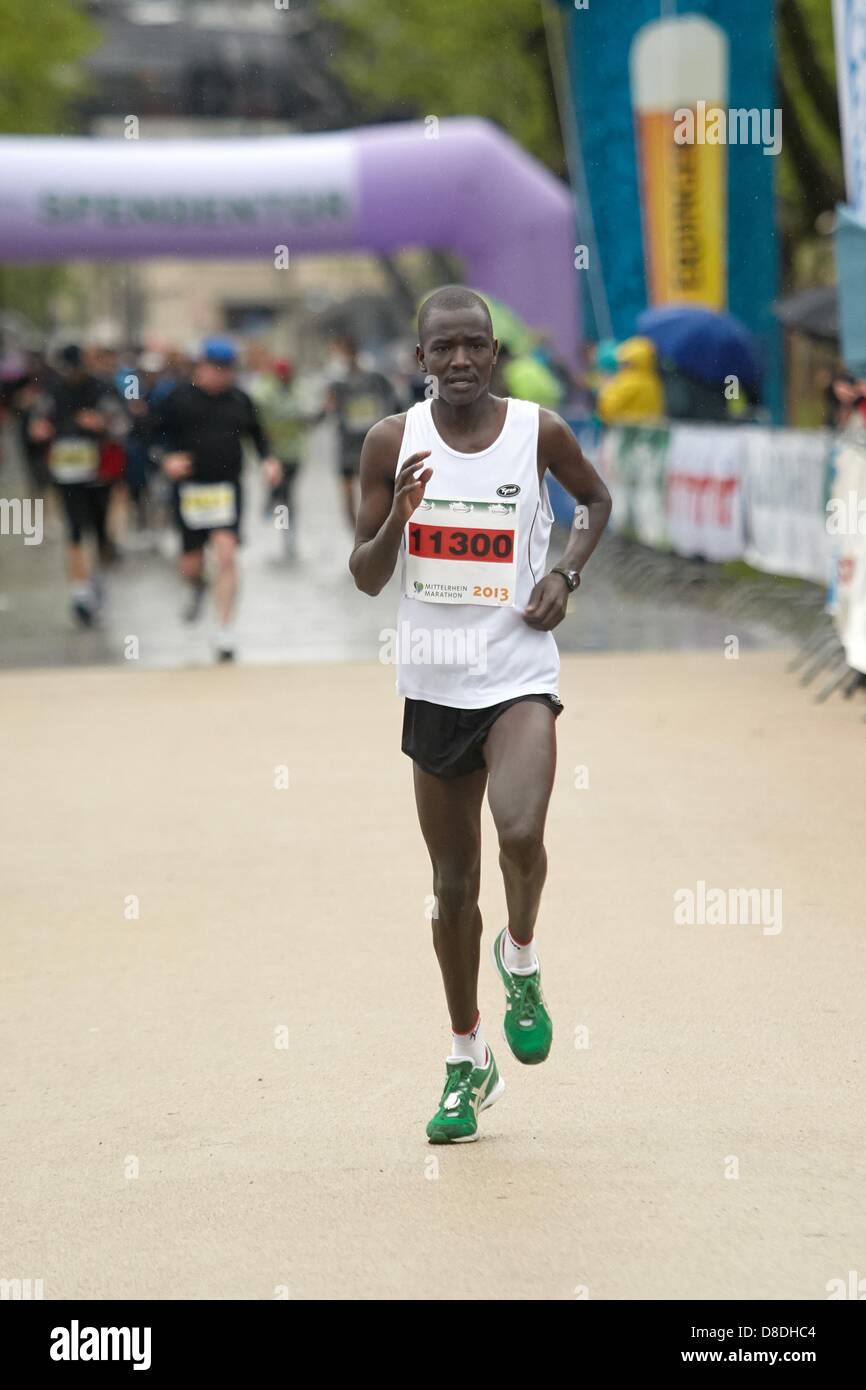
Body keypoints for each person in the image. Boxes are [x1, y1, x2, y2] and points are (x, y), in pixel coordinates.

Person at [349, 286, 611, 1143]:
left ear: (494, 353)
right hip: (433, 684)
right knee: (452, 886)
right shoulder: (392, 441)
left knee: (522, 832)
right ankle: (467, 1059)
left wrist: (564, 575)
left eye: (474, 346)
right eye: (442, 349)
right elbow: (364, 573)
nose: (459, 361)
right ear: (419, 359)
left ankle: (522, 957)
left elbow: (595, 502)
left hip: (516, 667)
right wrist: (398, 517)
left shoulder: (540, 431)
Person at [153, 336, 281, 661]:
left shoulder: (240, 399)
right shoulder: (176, 398)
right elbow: (150, 435)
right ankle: (196, 585)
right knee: (190, 566)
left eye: (227, 370)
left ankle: (224, 632)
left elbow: (259, 435)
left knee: (226, 555)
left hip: (226, 489)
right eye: (216, 369)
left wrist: (268, 461)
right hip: (189, 491)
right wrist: (166, 459)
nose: (222, 376)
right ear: (201, 367)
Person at [28, 344, 128, 626]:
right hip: (66, 472)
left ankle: (98, 579)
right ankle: (80, 592)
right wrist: (39, 430)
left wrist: (101, 424)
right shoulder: (52, 391)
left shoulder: (102, 390)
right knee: (74, 530)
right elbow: (35, 423)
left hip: (99, 474)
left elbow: (123, 424)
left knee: (99, 532)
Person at [326, 333, 400, 529]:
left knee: (371, 491)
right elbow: (328, 408)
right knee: (349, 494)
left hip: (370, 443)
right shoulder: (337, 382)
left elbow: (393, 400)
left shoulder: (374, 378)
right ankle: (358, 534)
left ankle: (371, 531)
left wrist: (387, 421)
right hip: (347, 445)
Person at [248, 358, 310, 559]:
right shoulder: (264, 392)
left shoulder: (299, 390)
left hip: (294, 453)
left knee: (287, 492)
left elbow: (308, 416)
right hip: (273, 455)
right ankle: (284, 528)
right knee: (284, 493)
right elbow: (255, 418)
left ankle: (286, 532)